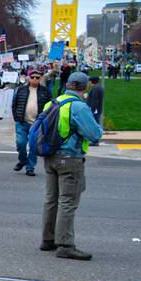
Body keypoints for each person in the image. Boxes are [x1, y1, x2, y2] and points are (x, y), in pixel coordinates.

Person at [40, 72, 103, 260]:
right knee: (67, 201)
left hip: (50, 156)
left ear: (68, 85)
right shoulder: (78, 107)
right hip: (70, 158)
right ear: (84, 88)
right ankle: (65, 244)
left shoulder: (52, 102)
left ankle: (48, 239)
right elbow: (94, 134)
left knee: (51, 199)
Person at [12, 71, 51, 175]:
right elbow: (14, 104)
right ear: (28, 78)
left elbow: (50, 107)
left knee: (33, 146)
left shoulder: (45, 91)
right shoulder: (21, 90)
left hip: (37, 124)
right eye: (32, 77)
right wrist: (16, 117)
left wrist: (44, 120)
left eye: (37, 77)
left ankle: (30, 167)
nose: (34, 79)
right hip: (22, 122)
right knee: (21, 143)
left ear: (40, 79)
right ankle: (23, 160)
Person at [86, 77, 104, 145]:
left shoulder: (95, 88)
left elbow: (95, 100)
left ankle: (95, 141)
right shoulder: (99, 87)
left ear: (92, 81)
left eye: (89, 81)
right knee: (96, 125)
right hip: (97, 110)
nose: (88, 83)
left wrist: (92, 110)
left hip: (94, 110)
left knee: (94, 126)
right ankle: (95, 140)